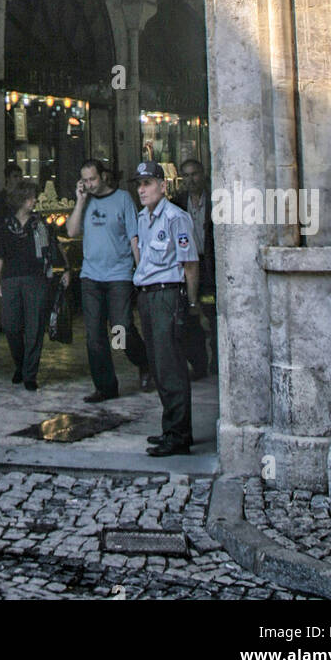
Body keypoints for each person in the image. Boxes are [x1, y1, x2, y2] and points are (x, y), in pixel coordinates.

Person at [66, 158, 153, 401]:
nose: (89, 184)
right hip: (91, 276)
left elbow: (134, 237)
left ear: (103, 176)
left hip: (119, 275)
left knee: (120, 329)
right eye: (85, 180)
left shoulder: (123, 198)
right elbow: (72, 232)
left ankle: (144, 361)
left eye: (92, 179)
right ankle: (105, 387)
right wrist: (80, 200)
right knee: (94, 335)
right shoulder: (86, 201)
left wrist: (142, 271)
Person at [132, 160, 200, 457]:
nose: (142, 189)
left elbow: (190, 265)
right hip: (147, 295)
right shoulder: (142, 218)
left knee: (171, 365)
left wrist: (191, 304)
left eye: (147, 183)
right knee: (158, 364)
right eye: (139, 184)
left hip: (167, 295)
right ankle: (170, 428)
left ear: (163, 185)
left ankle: (179, 435)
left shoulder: (176, 218)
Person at [0, 177, 70, 391]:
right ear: (21, 200)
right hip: (11, 279)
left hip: (36, 278)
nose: (34, 201)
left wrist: (65, 268)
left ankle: (30, 374)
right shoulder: (6, 226)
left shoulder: (41, 224)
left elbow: (55, 246)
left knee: (35, 327)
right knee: (11, 326)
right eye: (30, 198)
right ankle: (21, 363)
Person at [173, 158, 216, 379]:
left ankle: (217, 363)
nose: (190, 180)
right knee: (190, 315)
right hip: (187, 266)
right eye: (186, 176)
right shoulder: (178, 203)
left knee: (213, 313)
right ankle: (198, 364)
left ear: (203, 174)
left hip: (209, 266)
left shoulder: (216, 200)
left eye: (194, 174)